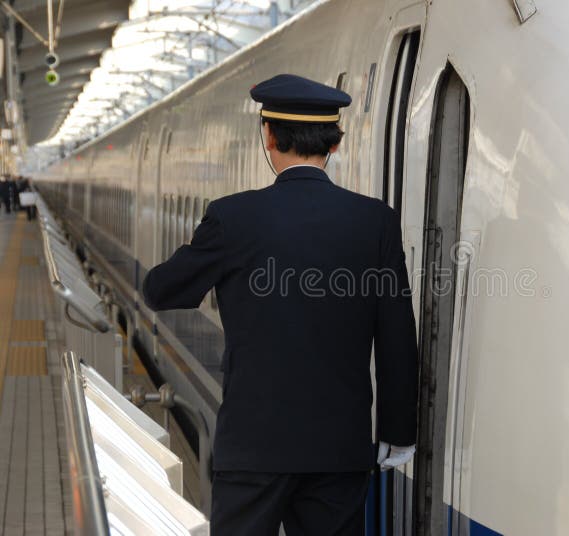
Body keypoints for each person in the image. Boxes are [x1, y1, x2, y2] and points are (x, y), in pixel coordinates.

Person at [142, 74, 419, 535]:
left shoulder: (233, 217)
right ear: (336, 142)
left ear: (268, 137)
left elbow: (160, 290)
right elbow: (396, 335)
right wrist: (399, 430)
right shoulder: (377, 222)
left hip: (253, 450)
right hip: (339, 451)